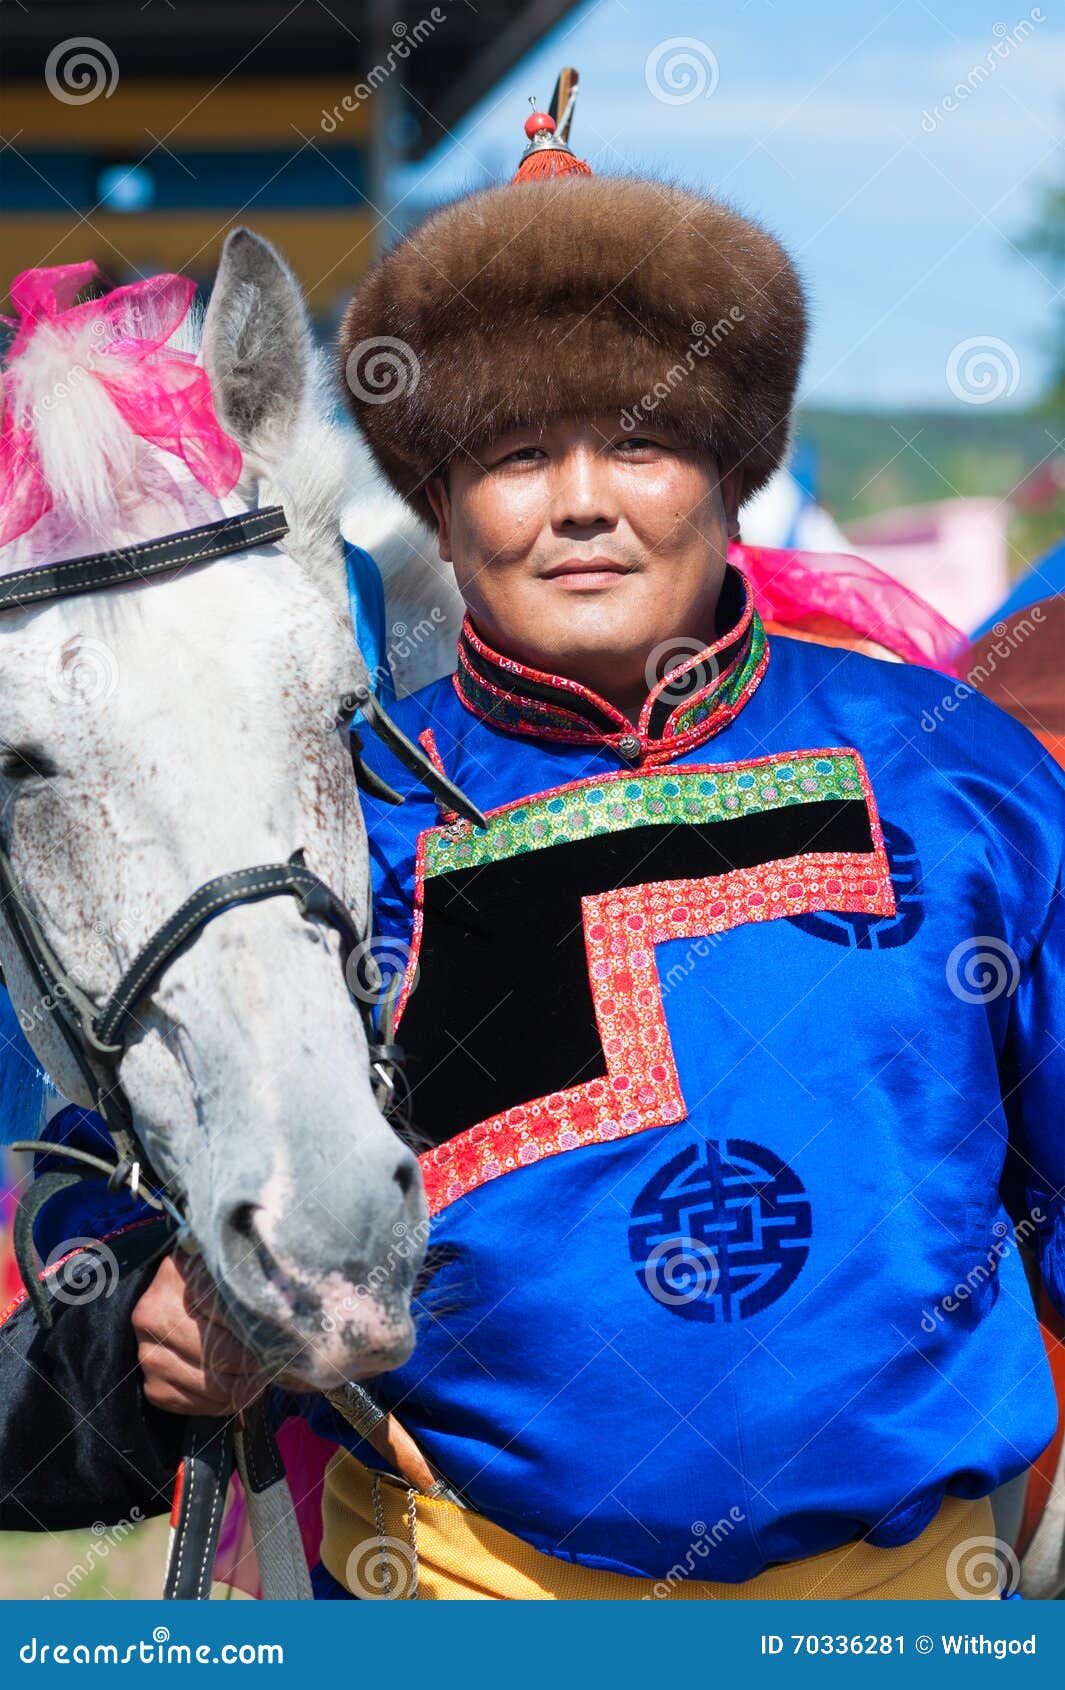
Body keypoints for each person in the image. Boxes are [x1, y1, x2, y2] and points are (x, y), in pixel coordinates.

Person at [3, 102, 1063, 1602]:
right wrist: (142, 1321)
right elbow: (113, 1175)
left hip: (909, 1607)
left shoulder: (956, 776)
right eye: (511, 453)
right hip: (455, 1597)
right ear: (437, 499)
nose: (578, 502)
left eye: (637, 442)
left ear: (730, 471)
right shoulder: (339, 810)